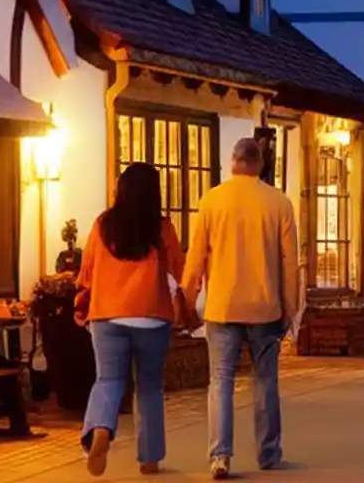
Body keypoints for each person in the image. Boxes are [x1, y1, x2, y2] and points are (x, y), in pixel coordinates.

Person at [182, 138, 300, 479]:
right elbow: (289, 262)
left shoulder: (211, 201)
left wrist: (188, 298)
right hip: (265, 307)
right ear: (260, 164)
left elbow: (196, 257)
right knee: (265, 381)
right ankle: (268, 453)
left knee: (220, 381)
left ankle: (220, 456)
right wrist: (290, 308)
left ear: (232, 162)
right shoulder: (278, 203)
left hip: (222, 306)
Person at [77, 162, 185, 477]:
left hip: (107, 316)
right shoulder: (161, 226)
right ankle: (149, 459)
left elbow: (87, 271)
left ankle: (100, 429)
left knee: (108, 380)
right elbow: (179, 269)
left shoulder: (103, 224)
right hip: (151, 316)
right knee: (149, 386)